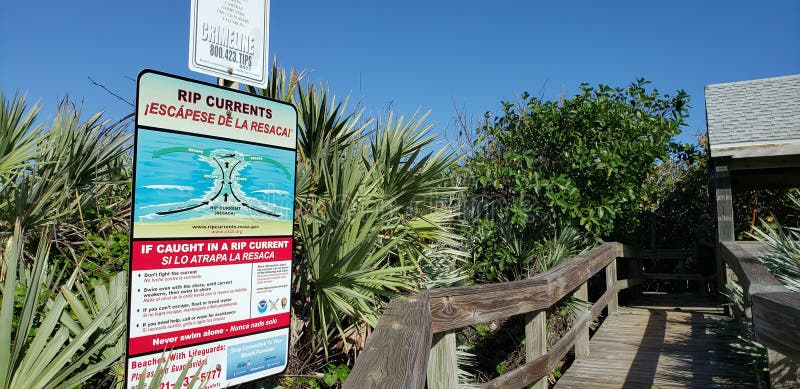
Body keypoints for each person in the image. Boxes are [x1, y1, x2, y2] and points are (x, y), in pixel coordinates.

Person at [695, 213, 716, 296]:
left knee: (709, 273)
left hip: (707, 255)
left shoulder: (706, 229)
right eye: (709, 219)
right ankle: (703, 291)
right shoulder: (701, 229)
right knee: (703, 274)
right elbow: (701, 242)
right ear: (704, 220)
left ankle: (712, 291)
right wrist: (713, 246)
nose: (711, 221)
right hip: (702, 255)